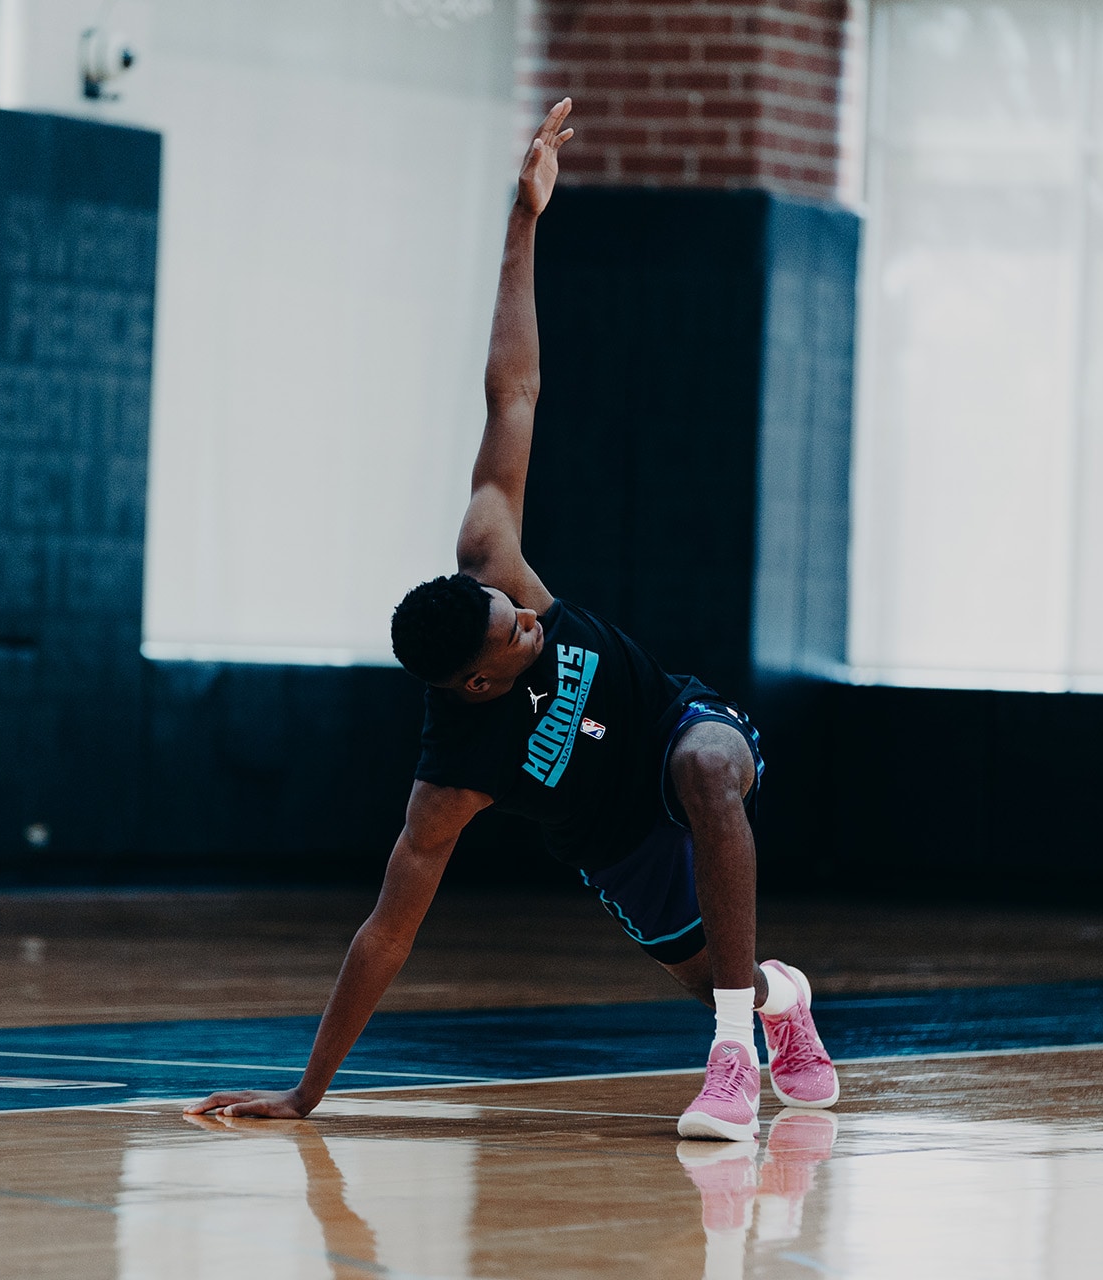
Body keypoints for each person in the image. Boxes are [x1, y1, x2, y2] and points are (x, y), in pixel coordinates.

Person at [186, 99, 838, 1141]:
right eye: (515, 635)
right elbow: (386, 934)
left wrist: (521, 221)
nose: (531, 619)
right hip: (617, 841)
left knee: (712, 770)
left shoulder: (492, 558)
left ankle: (731, 1061)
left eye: (517, 611)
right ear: (478, 683)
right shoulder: (450, 783)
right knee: (724, 969)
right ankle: (776, 1003)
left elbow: (514, 391)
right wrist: (306, 1091)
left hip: (675, 724)